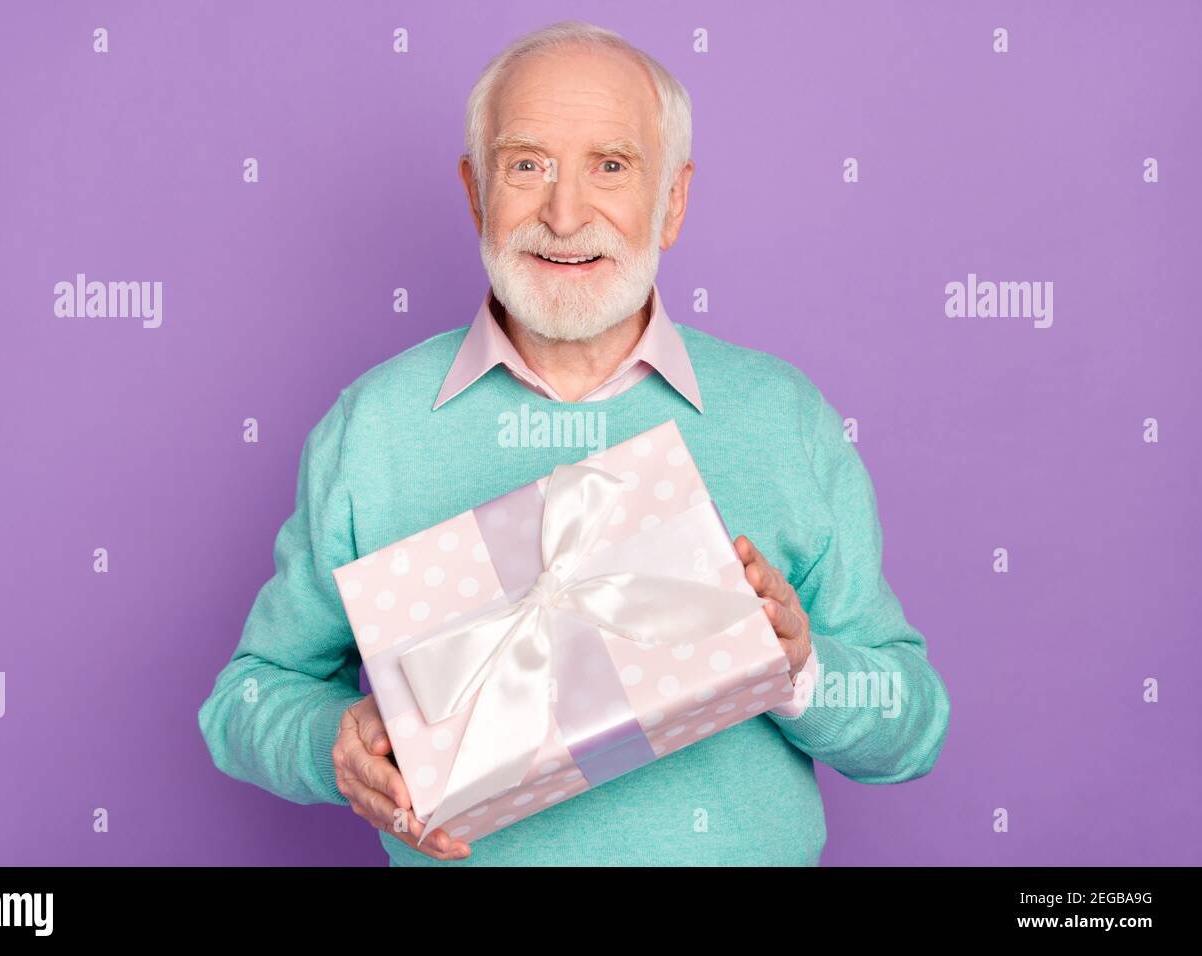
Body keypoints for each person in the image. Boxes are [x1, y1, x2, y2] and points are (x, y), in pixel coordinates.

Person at [198, 19, 951, 866]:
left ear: (671, 201)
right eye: (527, 165)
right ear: (476, 192)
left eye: (611, 166)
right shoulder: (372, 429)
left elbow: (913, 722)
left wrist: (799, 669)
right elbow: (245, 698)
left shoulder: (783, 418)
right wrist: (333, 746)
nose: (564, 213)